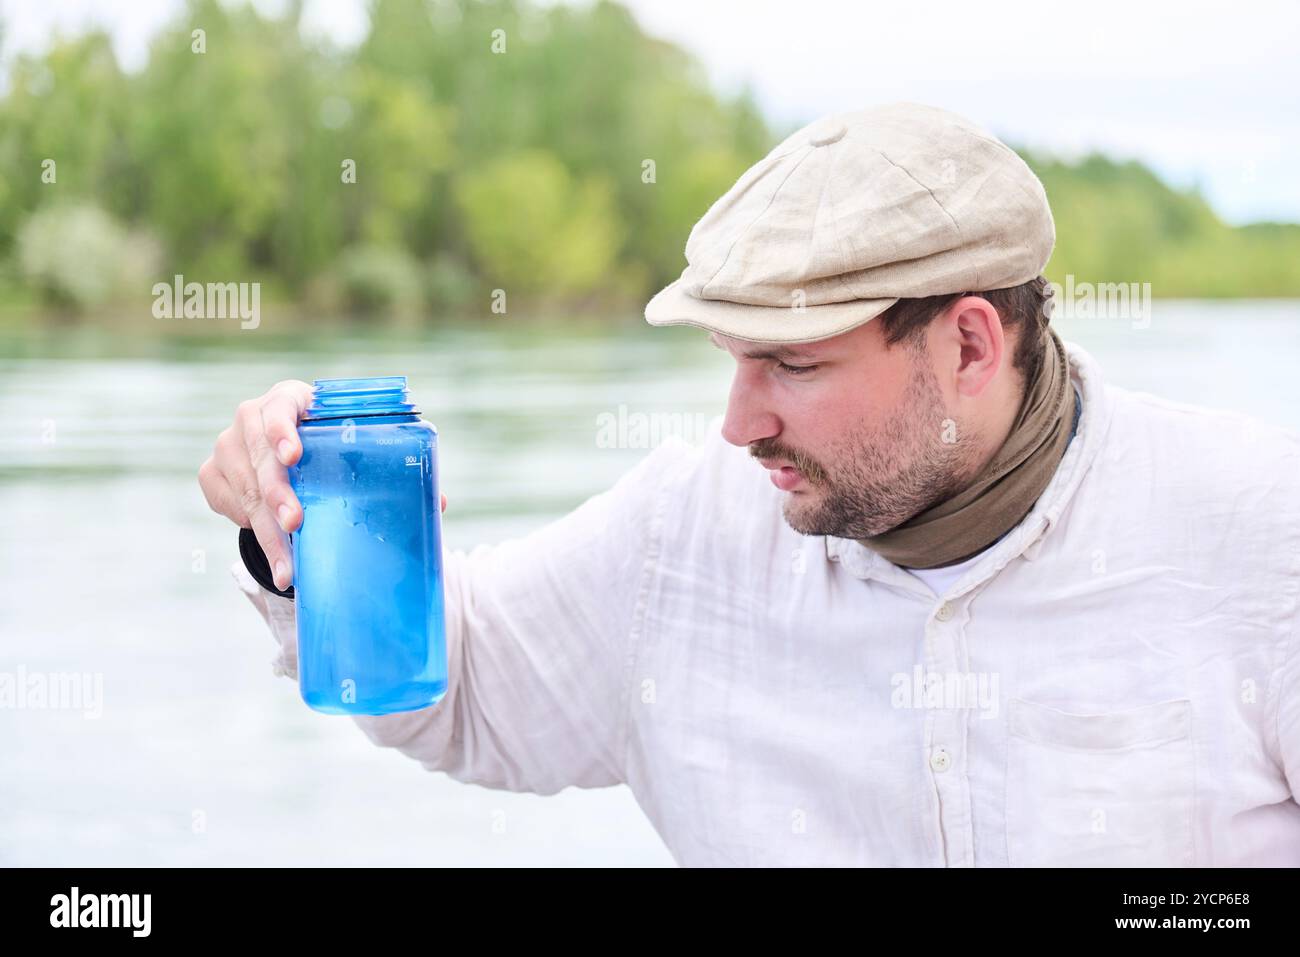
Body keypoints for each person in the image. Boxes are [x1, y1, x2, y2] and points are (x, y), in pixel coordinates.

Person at [199, 102, 1300, 866]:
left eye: (796, 365)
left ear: (968, 346)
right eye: (731, 360)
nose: (738, 425)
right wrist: (297, 533)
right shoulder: (678, 541)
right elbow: (454, 691)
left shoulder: (1258, 532)